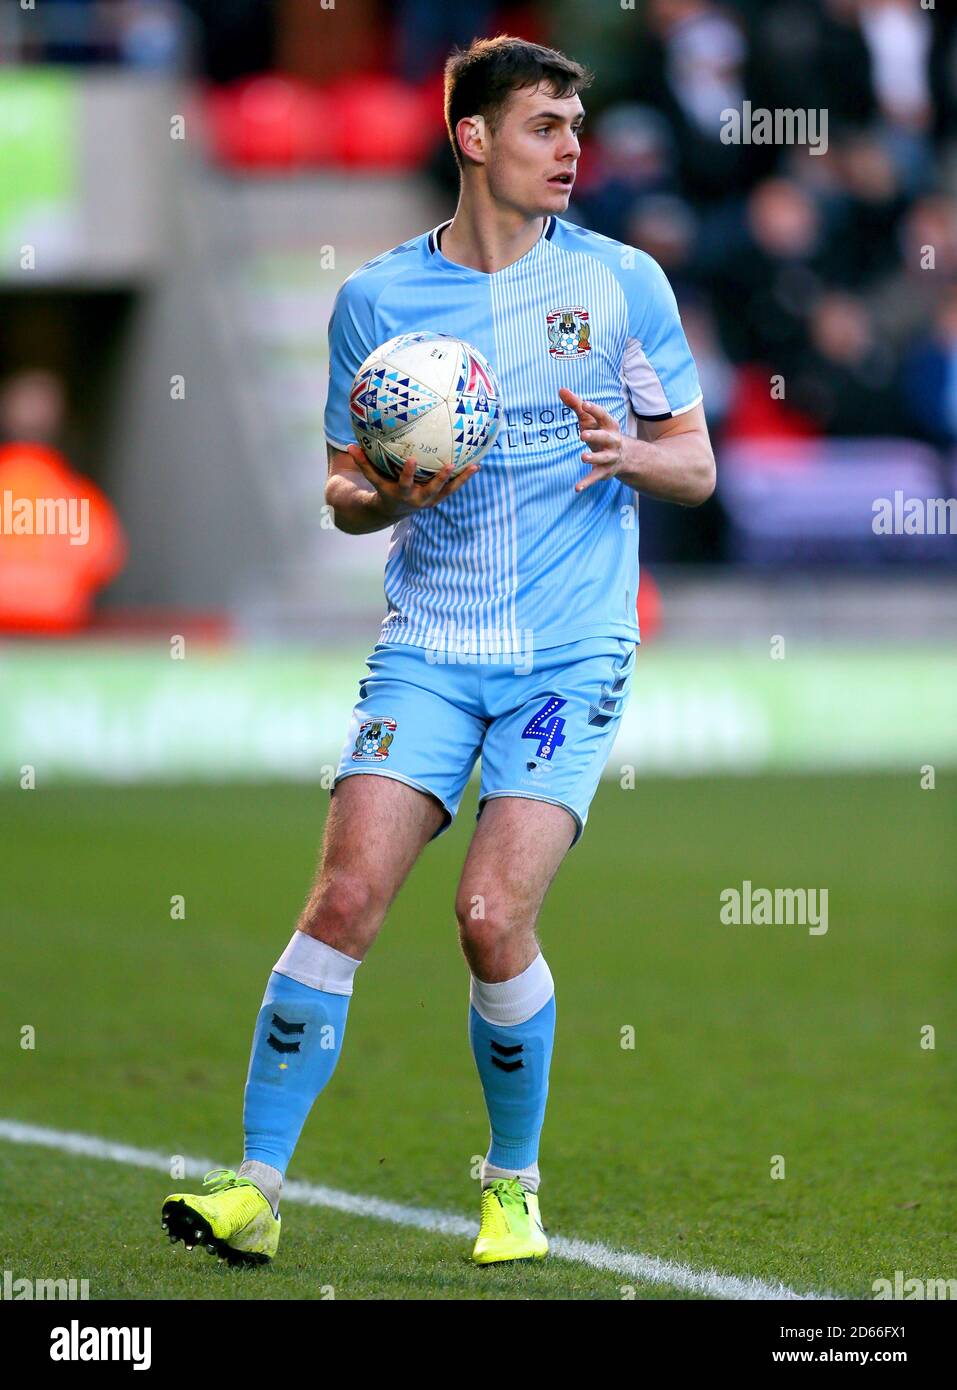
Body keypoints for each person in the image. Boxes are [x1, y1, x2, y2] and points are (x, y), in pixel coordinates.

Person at [161, 34, 714, 1269]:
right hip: (429, 644)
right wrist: (395, 489)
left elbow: (698, 461)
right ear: (473, 138)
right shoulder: (377, 301)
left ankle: (511, 1186)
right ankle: (254, 1185)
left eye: (578, 126)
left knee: (484, 915)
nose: (574, 148)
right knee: (347, 896)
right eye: (545, 127)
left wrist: (629, 455)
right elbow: (343, 492)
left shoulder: (624, 282)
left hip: (568, 654)